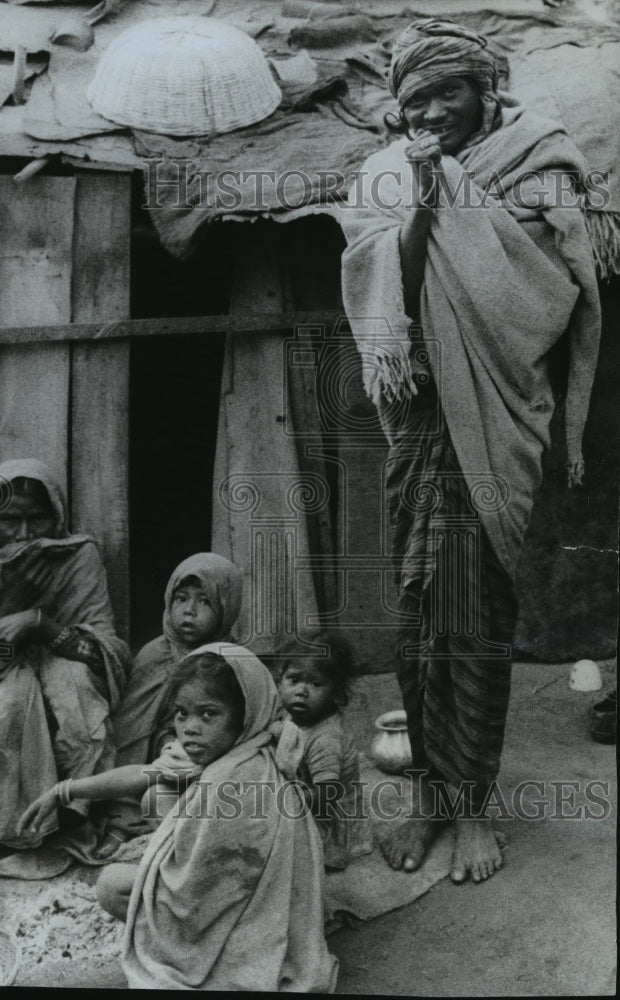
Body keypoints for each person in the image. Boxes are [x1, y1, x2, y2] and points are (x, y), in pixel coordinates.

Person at [340, 19, 601, 883]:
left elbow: (543, 294)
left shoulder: (540, 163)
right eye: (415, 99)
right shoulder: (385, 176)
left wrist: (460, 204)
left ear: (486, 91)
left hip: (498, 415)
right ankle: (430, 795)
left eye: (448, 92)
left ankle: (477, 807)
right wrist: (423, 199)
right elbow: (391, 288)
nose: (432, 111)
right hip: (424, 423)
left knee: (474, 616)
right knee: (419, 619)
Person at [18, 643, 339, 992]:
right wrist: (64, 790)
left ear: (245, 712)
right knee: (159, 796)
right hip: (232, 896)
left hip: (251, 917)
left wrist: (164, 874)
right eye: (182, 714)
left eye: (208, 714)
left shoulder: (240, 778)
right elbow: (144, 774)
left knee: (111, 885)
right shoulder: (241, 746)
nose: (190, 728)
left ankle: (193, 951)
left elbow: (207, 892)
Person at [0, 458, 130, 859]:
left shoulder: (79, 558)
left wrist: (40, 623)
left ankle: (75, 804)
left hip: (59, 677)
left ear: (56, 516)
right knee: (15, 697)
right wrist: (10, 601)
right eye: (10, 520)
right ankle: (7, 822)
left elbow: (105, 655)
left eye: (37, 518)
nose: (24, 534)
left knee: (72, 684)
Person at [100, 553, 243, 848]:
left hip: (213, 758)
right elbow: (133, 727)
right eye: (181, 599)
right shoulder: (154, 655)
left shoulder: (236, 661)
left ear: (227, 607)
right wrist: (167, 739)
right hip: (160, 760)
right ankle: (122, 822)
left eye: (205, 601)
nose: (189, 611)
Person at [276, 631, 360, 869]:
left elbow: (327, 794)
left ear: (336, 693)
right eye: (293, 680)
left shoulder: (325, 740)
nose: (301, 691)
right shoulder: (294, 713)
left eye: (315, 684)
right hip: (303, 788)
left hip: (327, 814)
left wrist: (286, 801)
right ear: (279, 681)